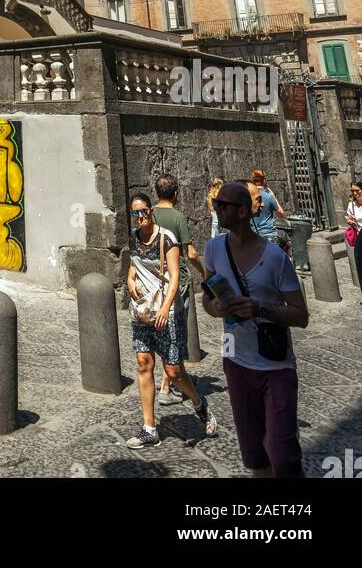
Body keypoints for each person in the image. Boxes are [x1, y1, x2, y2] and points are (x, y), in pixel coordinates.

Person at [202, 180, 308, 479]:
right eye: (216, 204)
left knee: (283, 452)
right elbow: (207, 299)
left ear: (242, 211)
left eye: (222, 205)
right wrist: (216, 308)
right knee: (255, 453)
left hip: (275, 365)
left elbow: (301, 315)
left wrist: (261, 309)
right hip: (235, 362)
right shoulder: (213, 249)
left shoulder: (276, 258)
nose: (216, 209)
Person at [125, 192, 218, 448]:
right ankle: (149, 428)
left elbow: (175, 276)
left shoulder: (167, 238)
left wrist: (166, 307)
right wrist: (130, 279)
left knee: (173, 371)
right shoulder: (133, 239)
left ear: (150, 211)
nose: (141, 216)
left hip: (168, 311)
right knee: (144, 364)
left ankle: (200, 405)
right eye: (136, 212)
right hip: (143, 311)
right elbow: (133, 266)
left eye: (144, 211)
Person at [153, 173, 206, 407]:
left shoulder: (148, 214)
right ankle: (166, 386)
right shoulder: (178, 217)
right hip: (177, 280)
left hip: (153, 280)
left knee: (162, 331)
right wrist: (204, 272)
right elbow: (191, 253)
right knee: (174, 333)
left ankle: (170, 379)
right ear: (176, 194)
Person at [250, 169, 285, 245]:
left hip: (253, 235)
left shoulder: (249, 197)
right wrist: (273, 196)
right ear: (264, 181)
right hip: (269, 234)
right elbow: (281, 214)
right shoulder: (268, 196)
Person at [346, 180, 362, 302]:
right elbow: (349, 218)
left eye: (357, 190)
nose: (355, 193)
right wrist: (350, 222)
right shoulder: (352, 205)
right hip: (359, 238)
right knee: (360, 267)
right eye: (353, 191)